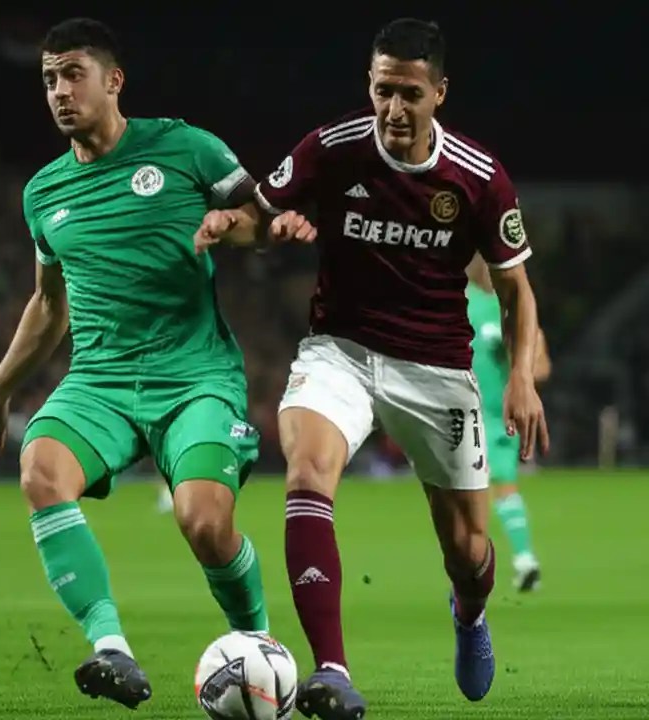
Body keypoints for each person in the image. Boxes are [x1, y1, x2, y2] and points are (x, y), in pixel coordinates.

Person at [194, 17, 548, 718]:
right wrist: (234, 229)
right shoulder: (332, 148)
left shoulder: (478, 179)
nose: (393, 108)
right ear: (369, 84)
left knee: (468, 549)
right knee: (306, 470)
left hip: (438, 368)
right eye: (383, 90)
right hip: (341, 351)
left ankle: (470, 614)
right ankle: (332, 669)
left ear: (439, 93)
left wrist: (521, 377)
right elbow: (260, 218)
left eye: (409, 93)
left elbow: (515, 289)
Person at [0, 18, 268, 711]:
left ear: (112, 81)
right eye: (48, 79)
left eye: (72, 74)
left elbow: (263, 224)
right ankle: (112, 650)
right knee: (40, 467)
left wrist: (231, 227)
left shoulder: (186, 147)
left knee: (203, 524)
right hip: (99, 381)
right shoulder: (43, 194)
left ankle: (258, 644)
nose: (59, 91)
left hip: (195, 377)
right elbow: (48, 306)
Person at [466, 254, 550, 592]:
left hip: (499, 415)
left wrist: (517, 358)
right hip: (462, 413)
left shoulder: (510, 309)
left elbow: (541, 368)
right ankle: (494, 565)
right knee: (475, 493)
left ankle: (520, 561)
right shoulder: (456, 301)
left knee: (497, 487)